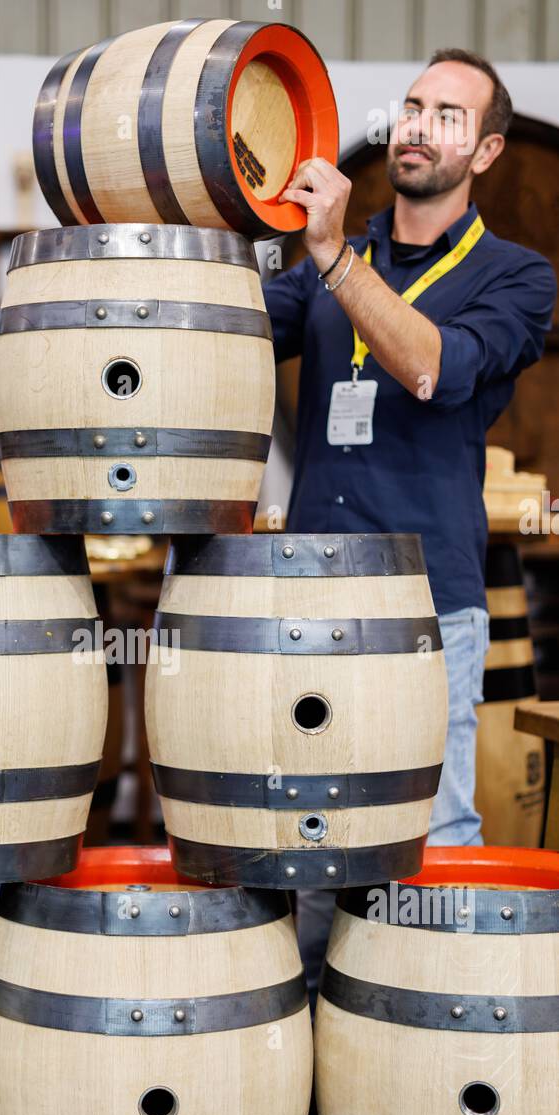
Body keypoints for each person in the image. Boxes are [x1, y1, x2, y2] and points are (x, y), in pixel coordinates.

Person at [263, 49, 557, 1004]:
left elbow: (431, 368)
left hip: (434, 607)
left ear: (487, 152)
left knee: (432, 838)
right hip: (307, 599)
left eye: (449, 117)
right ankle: (298, 1071)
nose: (421, 126)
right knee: (305, 831)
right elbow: (220, 327)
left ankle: (426, 1066)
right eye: (415, 107)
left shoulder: (519, 277)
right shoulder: (327, 252)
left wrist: (335, 257)